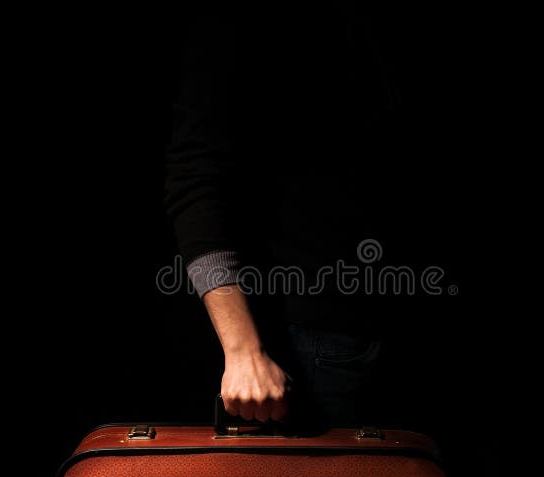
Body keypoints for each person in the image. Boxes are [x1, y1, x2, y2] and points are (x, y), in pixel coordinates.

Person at [165, 6, 429, 429]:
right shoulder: (235, 16)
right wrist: (242, 350)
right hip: (301, 349)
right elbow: (195, 182)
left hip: (398, 319)